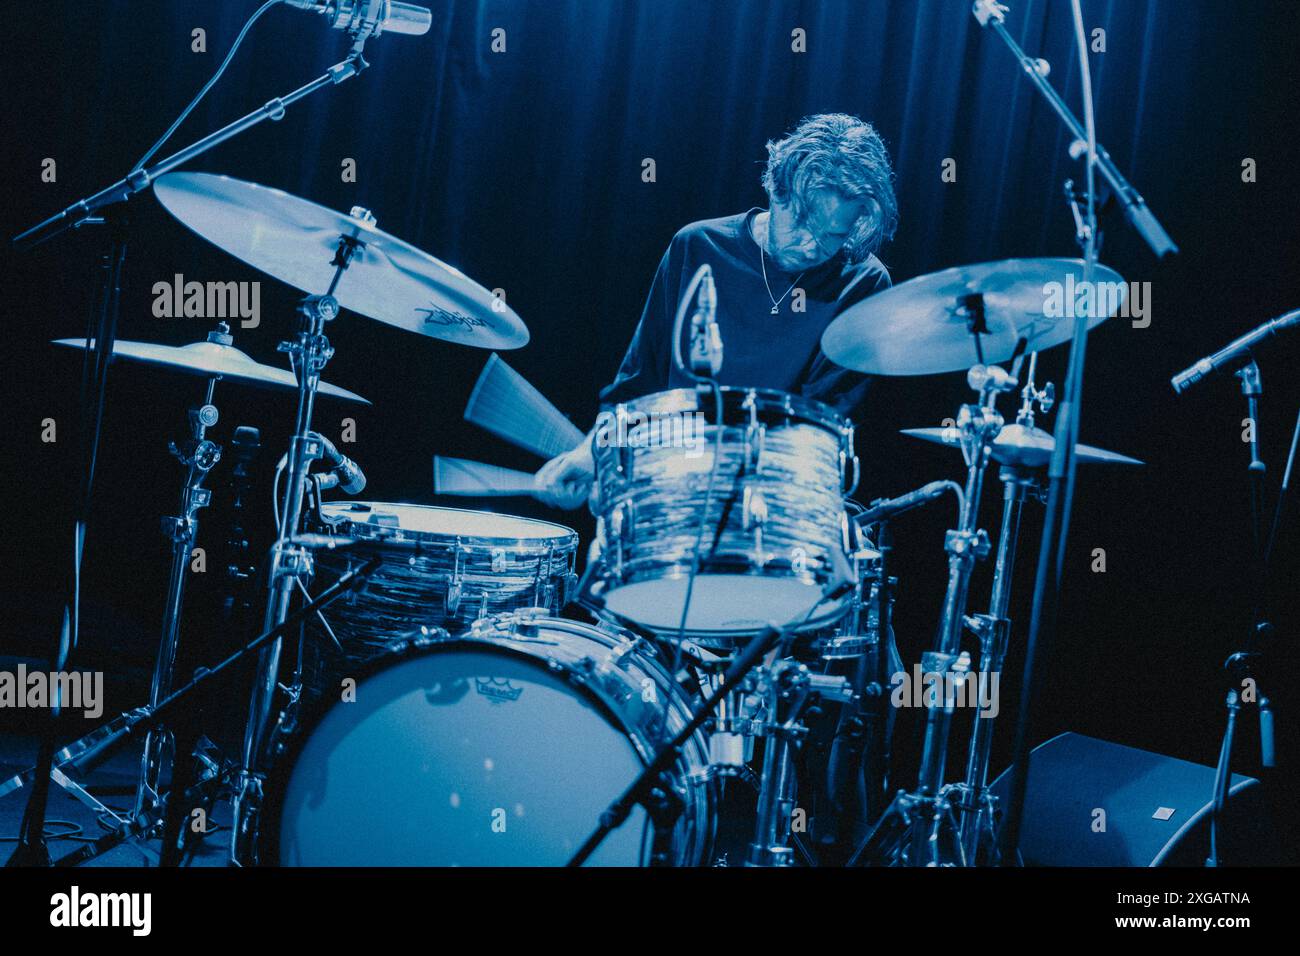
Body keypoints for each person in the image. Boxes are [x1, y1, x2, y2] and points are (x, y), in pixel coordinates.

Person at [535, 112, 899, 509]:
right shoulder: (697, 248)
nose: (812, 245)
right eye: (802, 223)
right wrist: (594, 454)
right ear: (775, 191)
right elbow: (641, 385)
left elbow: (817, 432)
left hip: (773, 505)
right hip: (670, 487)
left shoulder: (862, 283)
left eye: (833, 235)